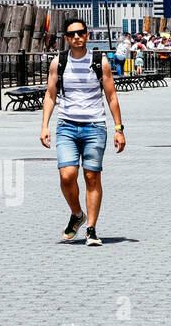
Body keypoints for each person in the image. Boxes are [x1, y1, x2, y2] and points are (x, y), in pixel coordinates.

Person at [39, 17, 125, 246]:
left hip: (95, 126)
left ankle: (91, 229)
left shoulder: (101, 62)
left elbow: (111, 96)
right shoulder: (59, 62)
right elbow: (50, 95)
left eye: (81, 33)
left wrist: (119, 128)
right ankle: (77, 214)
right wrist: (44, 125)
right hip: (66, 126)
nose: (77, 37)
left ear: (87, 35)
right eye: (72, 34)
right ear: (66, 39)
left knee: (91, 176)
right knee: (67, 175)